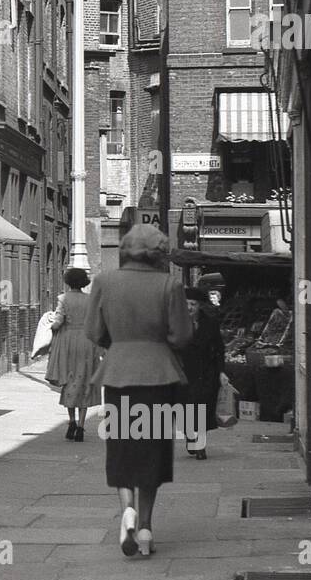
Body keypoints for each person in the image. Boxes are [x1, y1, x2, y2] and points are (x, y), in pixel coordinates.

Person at [85, 224, 194, 557]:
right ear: (158, 253)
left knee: (122, 449)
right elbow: (181, 337)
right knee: (152, 452)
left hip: (118, 373)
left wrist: (118, 344)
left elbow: (93, 330)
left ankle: (127, 511)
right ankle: (146, 526)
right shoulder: (169, 284)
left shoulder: (104, 282)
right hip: (159, 375)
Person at [45, 267, 101, 441]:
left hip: (68, 342)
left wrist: (50, 324)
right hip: (86, 342)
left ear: (68, 281)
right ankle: (82, 427)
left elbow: (58, 322)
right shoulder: (90, 300)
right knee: (84, 381)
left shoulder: (63, 299)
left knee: (69, 380)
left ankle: (71, 422)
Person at [178, 284, 224, 459]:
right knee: (186, 407)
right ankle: (191, 436)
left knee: (204, 407)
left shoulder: (211, 323)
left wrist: (221, 371)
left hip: (206, 372)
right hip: (183, 371)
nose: (189, 308)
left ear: (200, 306)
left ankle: (201, 445)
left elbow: (219, 348)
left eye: (193, 304)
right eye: (186, 304)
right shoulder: (176, 324)